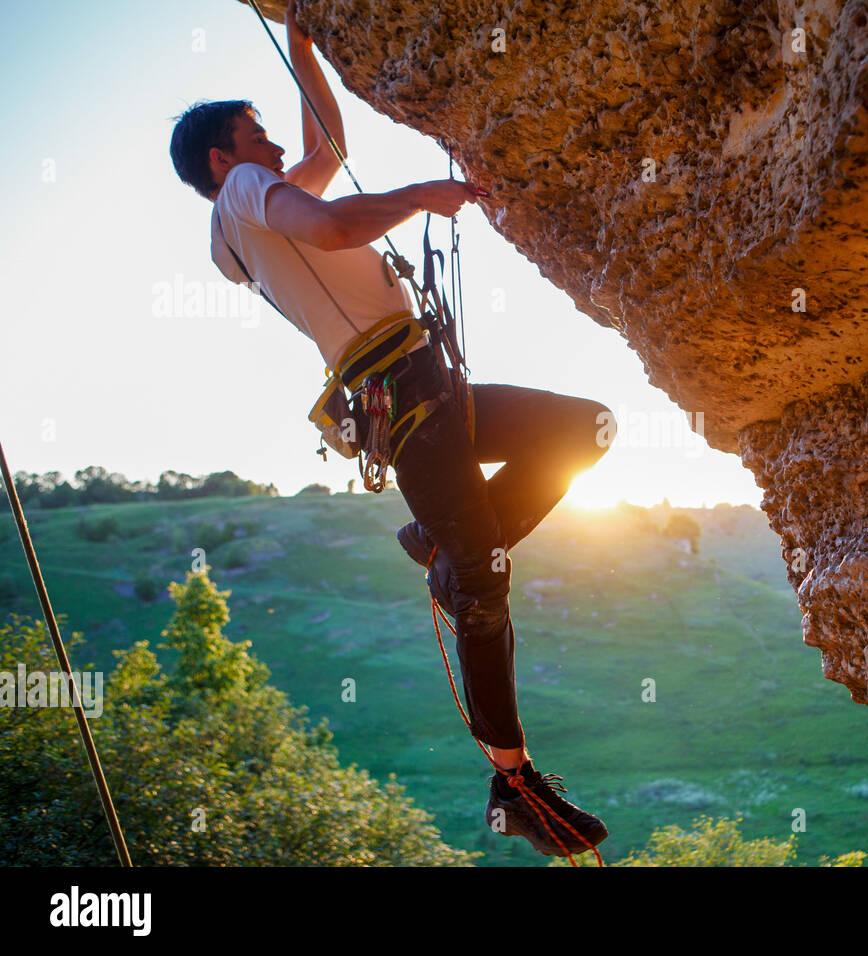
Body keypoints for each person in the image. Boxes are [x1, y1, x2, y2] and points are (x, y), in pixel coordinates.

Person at [167, 0, 612, 858]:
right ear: (222, 159)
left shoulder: (246, 221)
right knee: (484, 583)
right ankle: (513, 780)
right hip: (401, 392)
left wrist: (302, 39)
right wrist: (423, 196)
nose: (271, 148)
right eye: (256, 135)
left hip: (422, 385)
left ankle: (439, 545)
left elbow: (326, 154)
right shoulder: (243, 194)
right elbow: (334, 221)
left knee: (584, 429)